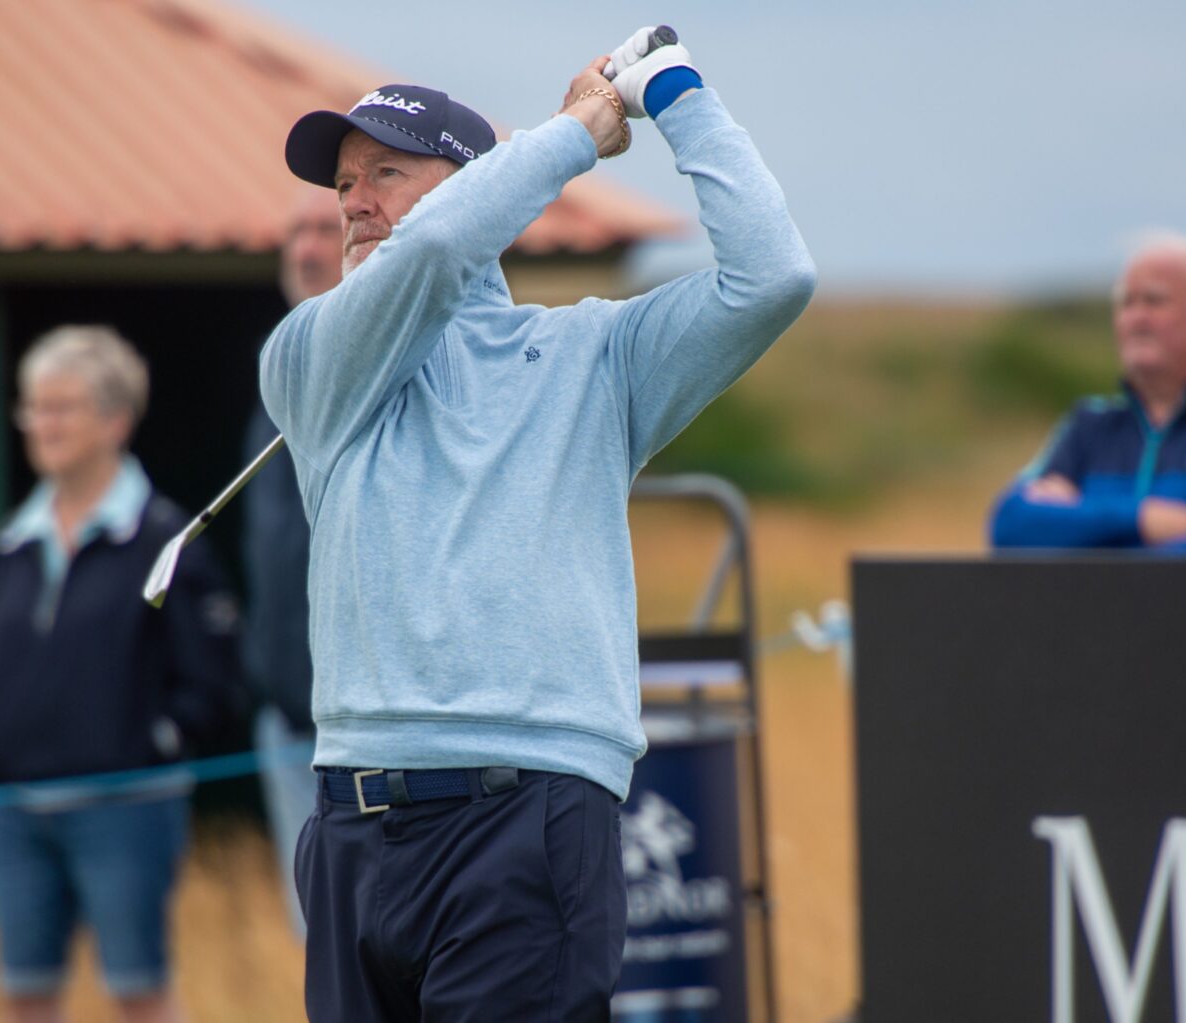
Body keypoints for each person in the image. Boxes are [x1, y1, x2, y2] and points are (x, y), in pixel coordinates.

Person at [261, 27, 816, 1021]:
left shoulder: (592, 356)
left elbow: (772, 277)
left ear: (480, 184)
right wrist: (576, 134)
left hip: (528, 818)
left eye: (385, 169)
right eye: (343, 181)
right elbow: (430, 250)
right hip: (349, 827)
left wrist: (676, 96)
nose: (352, 201)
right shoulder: (311, 360)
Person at [0, 326, 242, 1023]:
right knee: (23, 990)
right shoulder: (11, 544)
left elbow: (214, 679)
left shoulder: (163, 540)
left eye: (63, 406)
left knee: (137, 988)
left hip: (126, 806)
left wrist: (156, 740)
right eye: (33, 406)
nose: (42, 423)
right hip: (17, 808)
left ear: (116, 420)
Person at [243, 187, 343, 937]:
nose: (306, 250)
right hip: (287, 722)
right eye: (295, 234)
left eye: (324, 230)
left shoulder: (384, 373)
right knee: (320, 949)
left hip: (372, 731)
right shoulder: (277, 377)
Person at [991, 234, 1186, 549]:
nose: (1137, 318)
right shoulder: (1090, 426)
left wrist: (1079, 526)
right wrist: (1143, 520)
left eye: (1155, 301)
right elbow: (1010, 523)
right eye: (1126, 303)